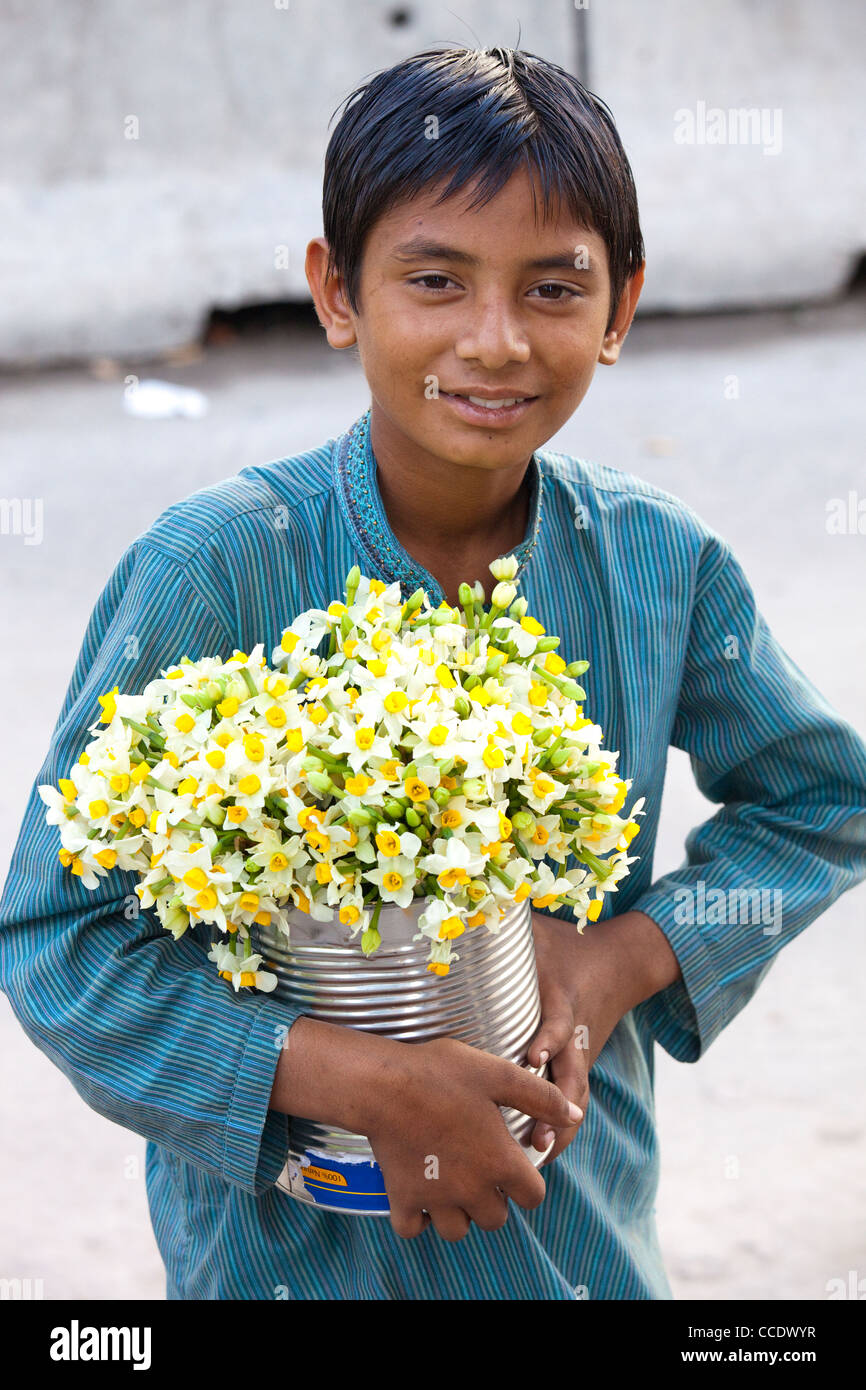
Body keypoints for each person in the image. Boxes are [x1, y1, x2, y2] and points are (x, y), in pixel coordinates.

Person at [1, 45, 865, 1301]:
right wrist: (356, 1077)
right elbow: (62, 938)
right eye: (434, 280)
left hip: (568, 1245)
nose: (494, 340)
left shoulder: (655, 564)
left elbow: (821, 799)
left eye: (552, 288)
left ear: (620, 308)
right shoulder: (216, 569)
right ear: (335, 291)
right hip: (286, 1261)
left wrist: (619, 958)